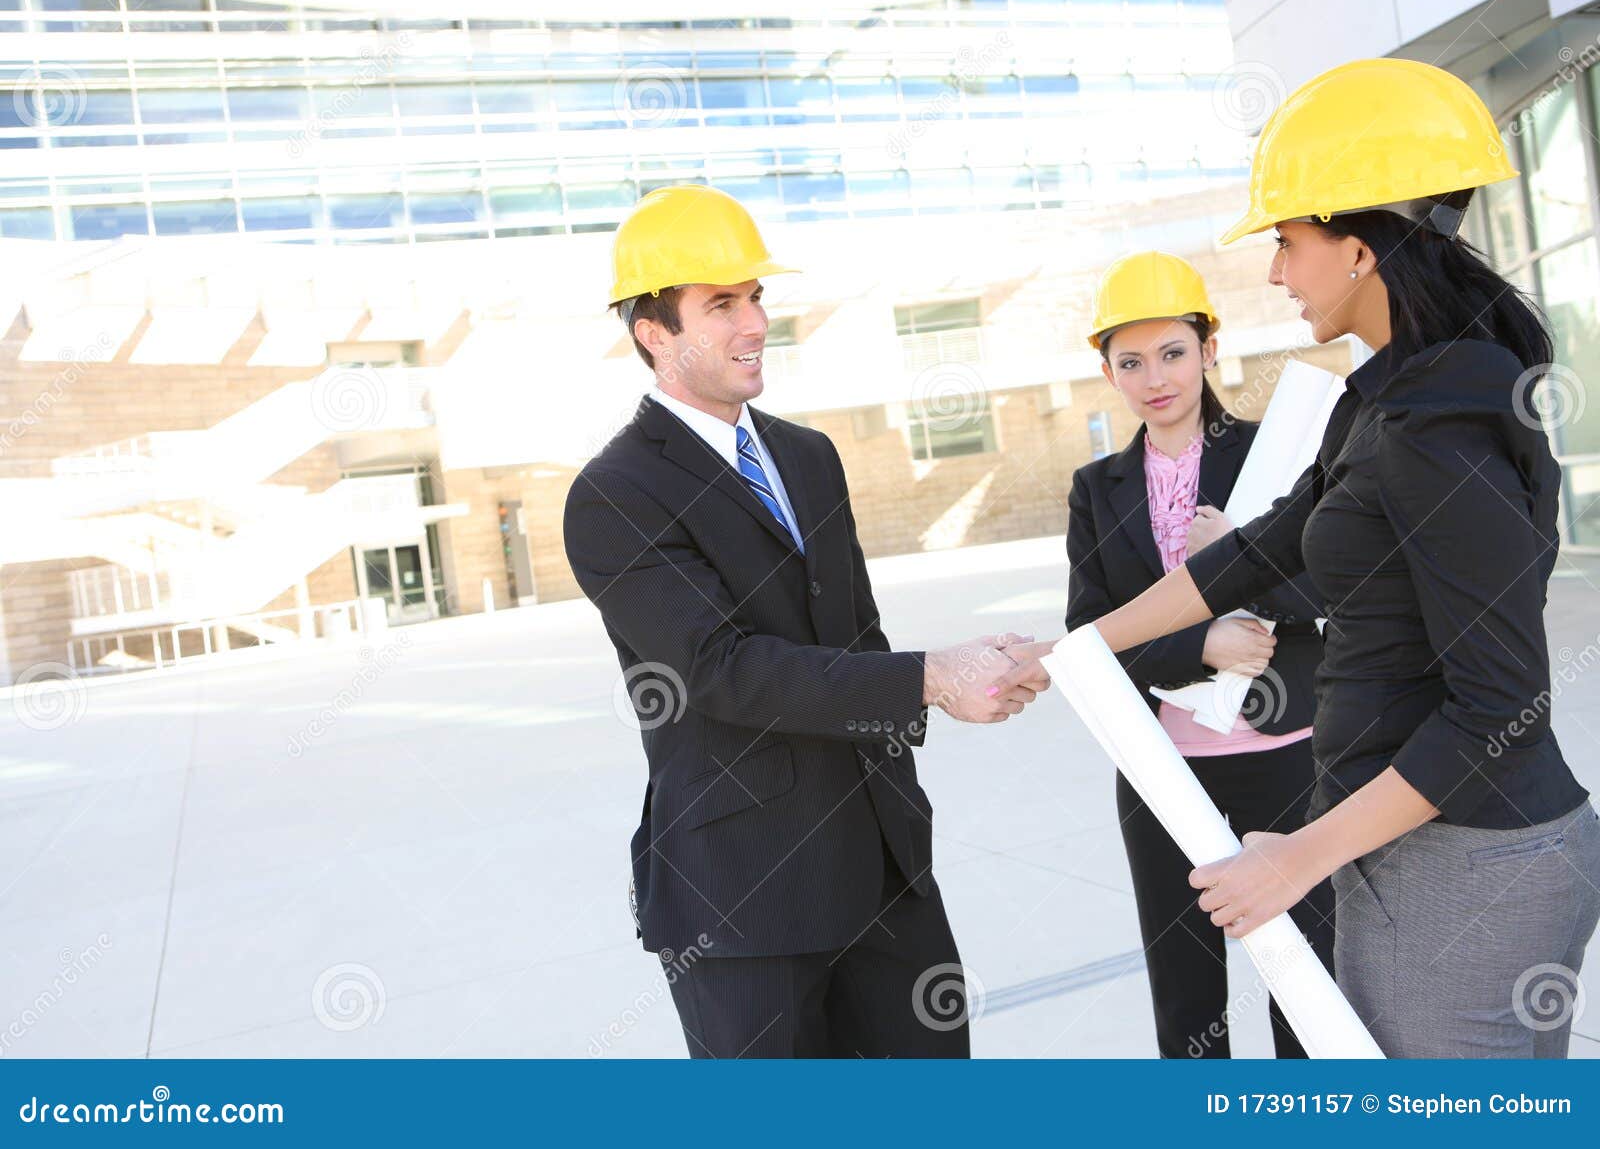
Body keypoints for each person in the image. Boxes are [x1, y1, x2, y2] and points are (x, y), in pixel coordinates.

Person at [998, 58, 1600, 1057]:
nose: (1276, 271)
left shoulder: (1437, 426)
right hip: (1410, 846)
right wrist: (1067, 653)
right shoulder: (1383, 399)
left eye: (1285, 240)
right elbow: (1260, 551)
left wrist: (1295, 860)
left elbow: (1495, 706)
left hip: (1470, 862)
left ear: (1359, 249)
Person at [563, 184, 1051, 1058]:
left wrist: (966, 673)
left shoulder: (808, 456)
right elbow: (722, 669)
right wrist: (932, 677)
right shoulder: (613, 494)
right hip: (744, 903)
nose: (754, 323)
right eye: (721, 305)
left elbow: (852, 640)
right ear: (653, 333)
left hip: (883, 866)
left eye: (755, 297)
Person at [1067, 251, 1334, 1058]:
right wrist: (1201, 639)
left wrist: (1246, 556)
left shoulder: (1279, 449)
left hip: (1285, 751)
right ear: (1108, 370)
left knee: (1303, 970)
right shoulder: (1095, 488)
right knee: (1185, 986)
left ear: (1210, 348)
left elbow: (1334, 588)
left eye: (1174, 352)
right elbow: (1089, 636)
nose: (1157, 377)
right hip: (1160, 766)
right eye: (1132, 361)